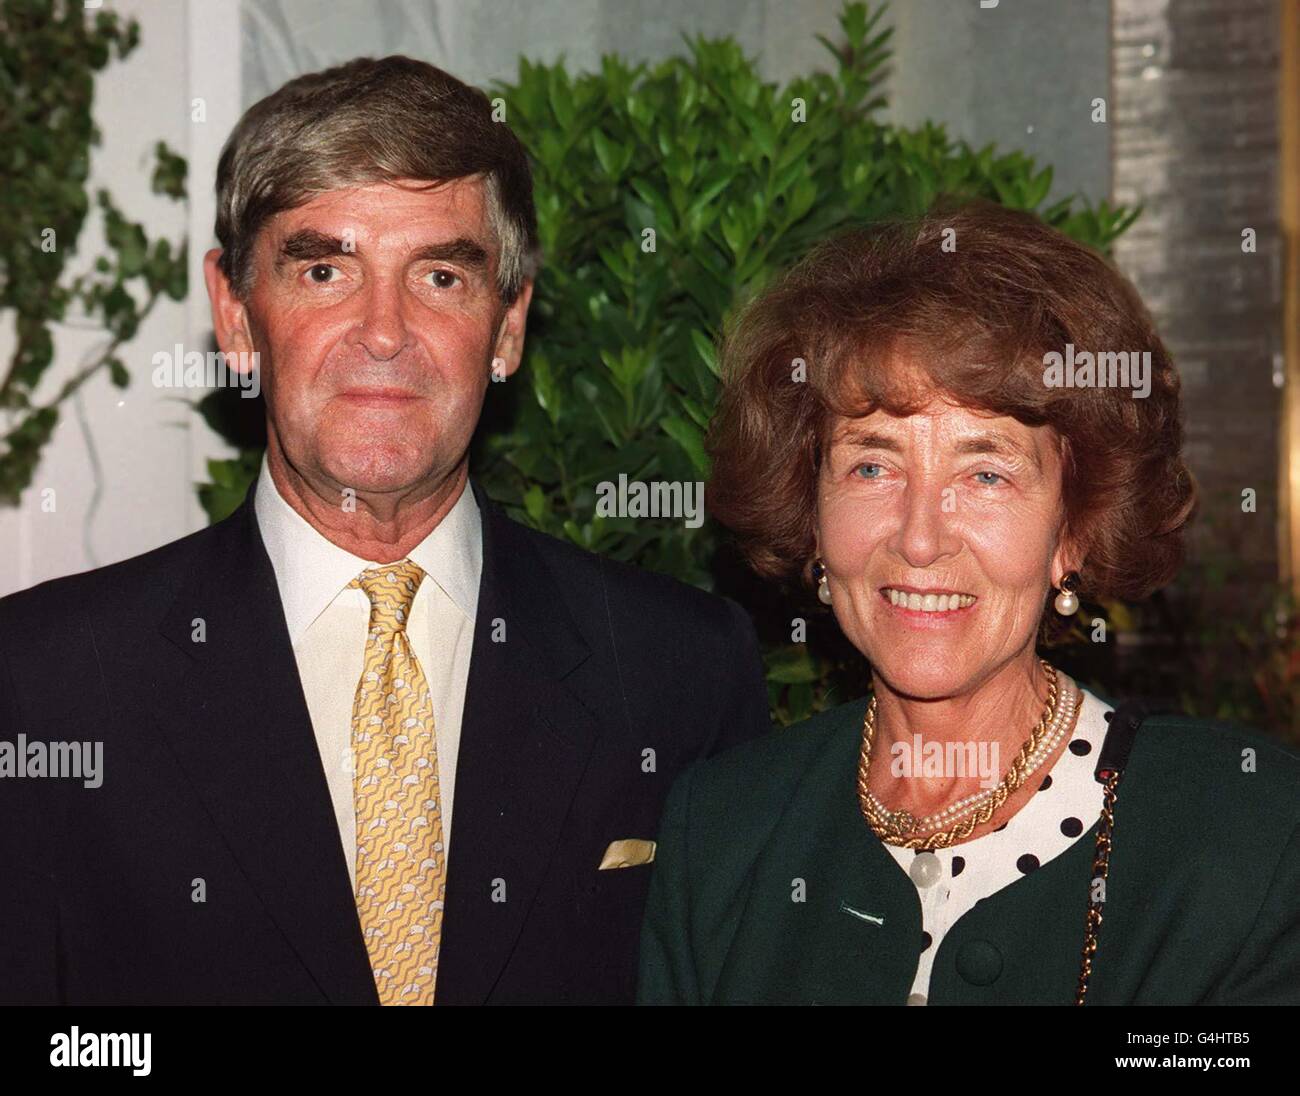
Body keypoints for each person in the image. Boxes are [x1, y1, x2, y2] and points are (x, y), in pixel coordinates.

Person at [0, 56, 770, 1005]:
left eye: (441, 275)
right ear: (236, 315)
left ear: (509, 325)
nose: (383, 331)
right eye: (324, 269)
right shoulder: (45, 685)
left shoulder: (679, 671)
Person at [637, 200, 1300, 1005]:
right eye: (872, 467)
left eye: (985, 474)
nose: (920, 539)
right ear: (810, 515)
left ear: (1076, 531)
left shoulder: (1248, 829)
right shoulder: (723, 831)